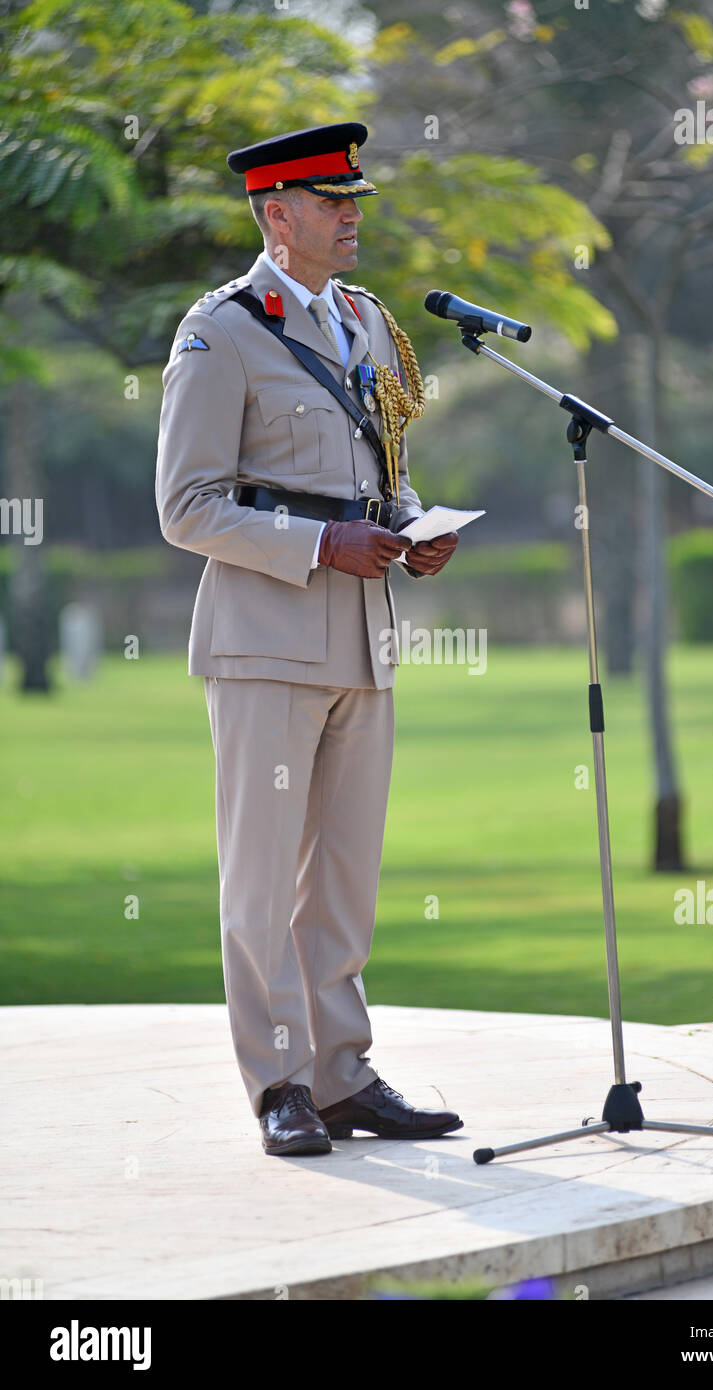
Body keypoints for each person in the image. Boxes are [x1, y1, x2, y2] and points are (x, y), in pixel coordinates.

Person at [155, 122, 462, 1156]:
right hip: (264, 638)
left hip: (362, 639)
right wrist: (321, 541)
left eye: (355, 201)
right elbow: (186, 507)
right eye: (332, 202)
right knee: (262, 875)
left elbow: (385, 466)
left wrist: (410, 528)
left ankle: (342, 1075)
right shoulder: (221, 331)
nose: (352, 216)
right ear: (275, 215)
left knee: (341, 877)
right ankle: (278, 1081)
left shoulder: (369, 324)